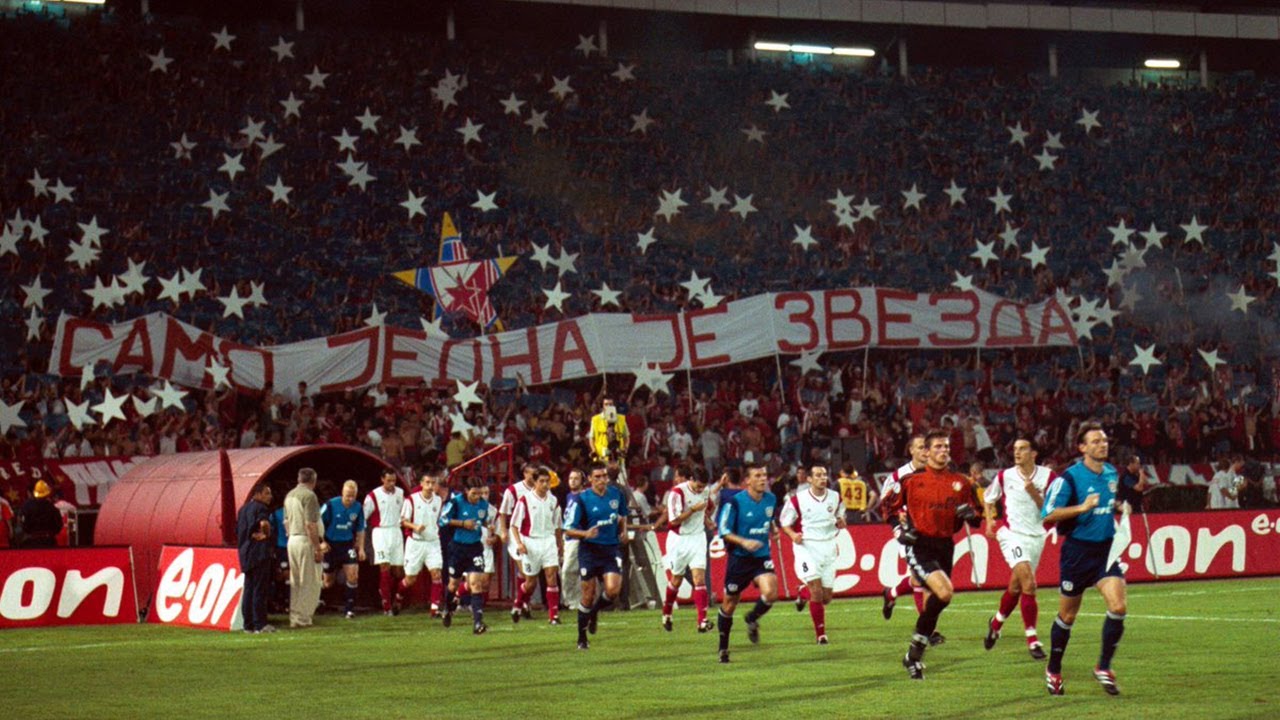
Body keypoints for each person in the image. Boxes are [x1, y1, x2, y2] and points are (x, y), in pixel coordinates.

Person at [881, 430, 981, 680]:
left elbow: (975, 515)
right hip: (920, 545)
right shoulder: (911, 481)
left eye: (946, 447)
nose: (943, 451)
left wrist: (971, 516)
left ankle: (913, 655)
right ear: (927, 452)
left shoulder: (960, 482)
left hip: (946, 545)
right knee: (944, 592)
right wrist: (899, 532)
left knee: (939, 601)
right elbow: (889, 508)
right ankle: (916, 649)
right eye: (938, 447)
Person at [1041, 422, 1127, 696]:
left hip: (1105, 551)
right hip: (1077, 554)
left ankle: (1103, 666)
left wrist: (1117, 506)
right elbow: (1048, 514)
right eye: (1095, 441)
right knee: (1068, 615)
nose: (1102, 445)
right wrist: (1082, 507)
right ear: (1082, 448)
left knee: (1119, 606)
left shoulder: (1112, 473)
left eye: (1104, 441)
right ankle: (1053, 670)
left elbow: (1106, 502)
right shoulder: (1069, 478)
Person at [982, 437, 1054, 659]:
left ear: (1034, 453)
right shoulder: (1005, 476)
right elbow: (988, 498)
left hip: (1037, 537)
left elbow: (1051, 510)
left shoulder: (1048, 477)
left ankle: (996, 623)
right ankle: (1032, 639)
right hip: (1012, 535)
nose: (1017, 452)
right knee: (1029, 584)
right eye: (1015, 449)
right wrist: (989, 520)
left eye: (1022, 448)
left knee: (1015, 587)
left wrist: (1033, 492)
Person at [715, 462, 779, 663]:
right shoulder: (735, 502)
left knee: (770, 592)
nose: (763, 479)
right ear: (747, 481)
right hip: (739, 560)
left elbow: (769, 518)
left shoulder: (771, 499)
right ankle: (723, 648)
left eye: (765, 475)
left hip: (761, 556)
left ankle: (752, 618)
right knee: (730, 603)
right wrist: (743, 541)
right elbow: (723, 530)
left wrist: (774, 530)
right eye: (758, 475)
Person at [563, 462, 628, 650]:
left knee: (613, 590)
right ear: (590, 479)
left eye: (604, 476)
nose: (602, 480)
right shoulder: (581, 499)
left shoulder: (617, 495)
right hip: (589, 551)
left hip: (610, 549)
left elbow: (622, 516)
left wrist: (623, 531)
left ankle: (594, 613)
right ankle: (581, 638)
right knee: (588, 595)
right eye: (597, 477)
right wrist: (585, 534)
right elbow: (567, 530)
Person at [779, 464, 845, 644]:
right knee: (816, 592)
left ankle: (802, 591)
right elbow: (784, 522)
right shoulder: (797, 500)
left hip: (828, 546)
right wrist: (793, 535)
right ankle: (821, 635)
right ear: (809, 479)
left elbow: (840, 516)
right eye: (817, 475)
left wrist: (840, 522)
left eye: (824, 475)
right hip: (807, 547)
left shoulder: (835, 497)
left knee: (826, 598)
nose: (822, 478)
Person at [881, 434, 930, 625]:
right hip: (909, 531)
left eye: (926, 447)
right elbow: (886, 505)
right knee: (920, 579)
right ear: (911, 450)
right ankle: (927, 629)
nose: (924, 451)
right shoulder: (898, 477)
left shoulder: (934, 473)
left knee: (922, 577)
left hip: (931, 531)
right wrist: (897, 525)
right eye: (920, 447)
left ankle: (891, 593)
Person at [661, 465, 715, 633]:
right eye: (698, 486)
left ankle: (702, 621)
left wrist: (707, 520)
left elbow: (708, 507)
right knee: (676, 580)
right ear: (690, 479)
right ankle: (667, 613)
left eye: (703, 486)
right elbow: (674, 521)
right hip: (680, 540)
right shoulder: (677, 493)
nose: (701, 490)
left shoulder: (704, 492)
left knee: (699, 579)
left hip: (698, 538)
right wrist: (692, 510)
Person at [439, 477, 496, 634]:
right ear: (466, 491)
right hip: (457, 548)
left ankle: (478, 623)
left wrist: (487, 525)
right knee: (453, 585)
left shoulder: (483, 505)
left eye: (479, 494)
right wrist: (463, 524)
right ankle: (447, 608)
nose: (477, 497)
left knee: (476, 583)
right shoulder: (456, 502)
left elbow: (482, 520)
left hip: (475, 547)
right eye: (474, 494)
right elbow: (443, 520)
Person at [510, 467, 564, 625]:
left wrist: (559, 544)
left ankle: (553, 615)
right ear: (535, 482)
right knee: (530, 582)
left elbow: (557, 525)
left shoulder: (553, 501)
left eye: (547, 481)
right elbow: (514, 525)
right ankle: (518, 604)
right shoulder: (525, 500)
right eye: (542, 481)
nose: (545, 485)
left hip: (548, 541)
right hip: (530, 542)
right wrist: (519, 543)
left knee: (551, 576)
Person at [399, 469, 446, 617]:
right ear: (421, 484)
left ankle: (434, 608)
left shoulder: (438, 500)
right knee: (410, 579)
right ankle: (398, 596)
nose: (430, 486)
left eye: (433, 483)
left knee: (436, 573)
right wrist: (415, 527)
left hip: (432, 542)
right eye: (427, 483)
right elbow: (403, 521)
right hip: (416, 543)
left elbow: (439, 519)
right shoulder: (411, 500)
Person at [284, 468, 326, 628]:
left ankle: (295, 616)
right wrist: (317, 547)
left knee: (296, 581)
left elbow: (285, 522)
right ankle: (304, 618)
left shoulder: (289, 495)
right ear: (313, 481)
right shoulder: (309, 496)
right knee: (310, 581)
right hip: (304, 540)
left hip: (292, 539)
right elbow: (310, 524)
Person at [320, 480, 366, 619]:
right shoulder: (330, 505)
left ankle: (349, 609)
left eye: (353, 496)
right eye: (347, 496)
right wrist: (321, 542)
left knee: (353, 575)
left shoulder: (358, 507)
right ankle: (316, 597)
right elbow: (317, 523)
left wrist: (361, 548)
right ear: (342, 493)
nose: (350, 499)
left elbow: (360, 529)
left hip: (347, 545)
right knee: (328, 582)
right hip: (330, 546)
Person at [364, 469, 406, 615]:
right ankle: (386, 606)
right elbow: (364, 517)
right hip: (380, 532)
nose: (391, 484)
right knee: (384, 567)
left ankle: (397, 599)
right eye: (388, 481)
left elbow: (404, 512)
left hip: (396, 531)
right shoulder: (373, 495)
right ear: (382, 479)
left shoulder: (400, 493)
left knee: (398, 571)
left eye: (393, 481)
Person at [499, 463, 538, 621]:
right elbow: (503, 512)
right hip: (517, 535)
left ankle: (522, 604)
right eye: (531, 474)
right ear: (525, 474)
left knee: (530, 574)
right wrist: (503, 530)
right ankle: (522, 605)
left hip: (533, 535)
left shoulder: (540, 490)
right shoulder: (513, 490)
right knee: (525, 572)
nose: (534, 477)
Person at [236, 482, 276, 634]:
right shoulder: (261, 508)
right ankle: (260, 624)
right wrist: (266, 533)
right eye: (267, 493)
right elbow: (264, 523)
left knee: (249, 588)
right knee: (260, 589)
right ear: (257, 494)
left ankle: (248, 625)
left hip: (245, 553)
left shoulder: (242, 510)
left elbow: (237, 530)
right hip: (259, 552)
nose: (270, 497)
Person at [559, 469, 585, 609]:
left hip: (577, 536)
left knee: (569, 570)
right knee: (570, 570)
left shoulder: (585, 496)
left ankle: (571, 601)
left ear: (582, 481)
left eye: (576, 478)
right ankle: (571, 599)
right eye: (570, 478)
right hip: (567, 536)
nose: (573, 481)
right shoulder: (569, 496)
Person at [19, 480, 63, 548]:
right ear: (47, 493)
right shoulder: (52, 507)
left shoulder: (27, 506)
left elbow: (23, 523)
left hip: (31, 541)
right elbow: (58, 525)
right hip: (49, 541)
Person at [588, 398, 629, 463]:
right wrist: (593, 450)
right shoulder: (595, 420)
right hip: (601, 455)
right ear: (603, 406)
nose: (608, 406)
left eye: (610, 404)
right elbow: (591, 438)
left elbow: (626, 436)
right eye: (606, 404)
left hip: (618, 456)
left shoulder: (621, 419)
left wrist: (625, 448)